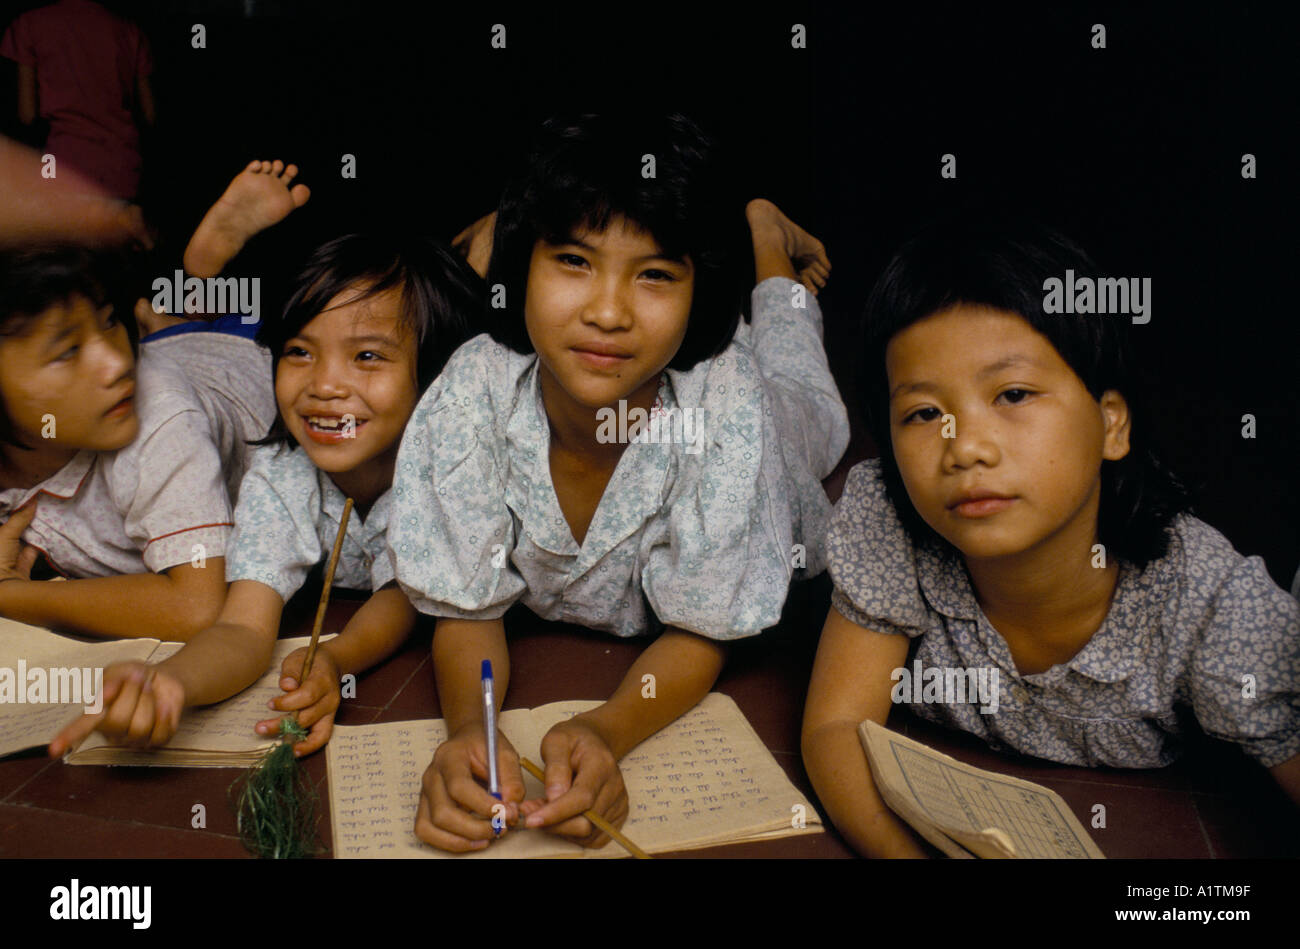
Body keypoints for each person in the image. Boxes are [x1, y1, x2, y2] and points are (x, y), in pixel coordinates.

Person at [393, 113, 849, 851]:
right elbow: (466, 602)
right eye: (573, 261)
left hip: (761, 416)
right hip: (671, 356)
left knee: (809, 396)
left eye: (656, 274)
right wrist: (472, 734)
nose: (607, 312)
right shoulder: (474, 385)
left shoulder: (729, 405)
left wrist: (607, 727)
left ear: (699, 287)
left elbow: (702, 625)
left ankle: (766, 248)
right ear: (523, 267)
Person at [801, 216, 1300, 858]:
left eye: (1012, 394)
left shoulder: (1213, 605)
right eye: (924, 413)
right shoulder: (889, 520)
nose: (966, 448)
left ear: (1111, 426)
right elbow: (837, 725)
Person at [50, 230, 484, 758]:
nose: (324, 385)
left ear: (439, 375)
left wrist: (337, 658)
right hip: (220, 353)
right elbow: (242, 627)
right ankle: (180, 319)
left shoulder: (454, 467)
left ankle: (179, 314)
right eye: (299, 351)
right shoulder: (281, 475)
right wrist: (171, 683)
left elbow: (405, 595)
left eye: (367, 356)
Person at [0, 160, 301, 639]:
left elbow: (197, 608)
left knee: (251, 333)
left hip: (242, 368)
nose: (115, 363)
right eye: (68, 351)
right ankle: (168, 306)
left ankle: (196, 278)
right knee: (163, 340)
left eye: (107, 321)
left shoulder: (159, 421)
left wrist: (14, 596)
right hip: (174, 355)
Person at [1, 0, 155, 201]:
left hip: (61, 168)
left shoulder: (28, 25)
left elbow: (27, 115)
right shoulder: (129, 31)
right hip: (122, 170)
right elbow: (149, 116)